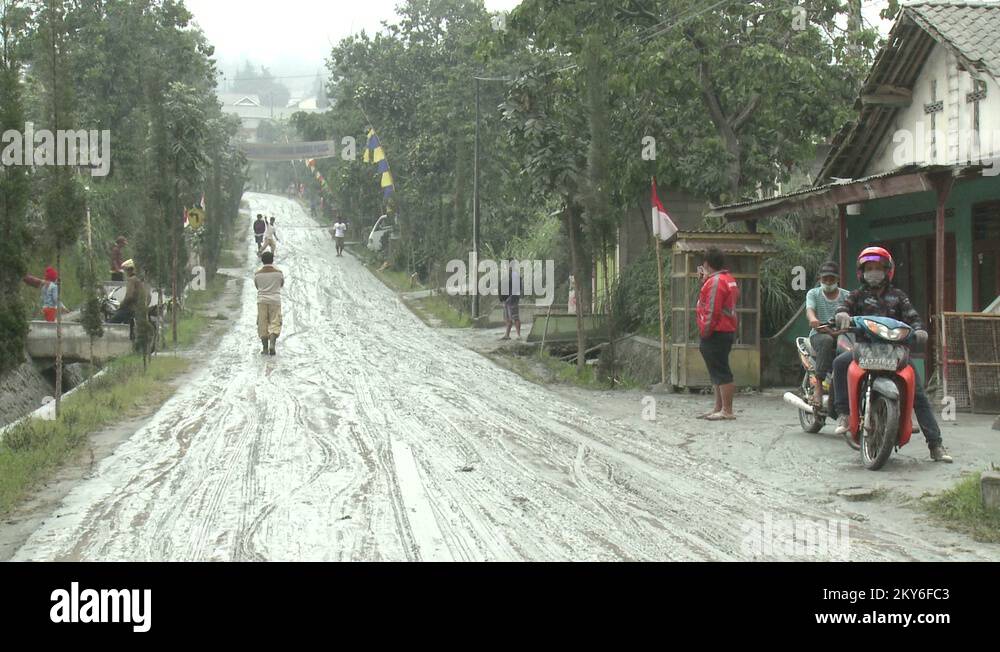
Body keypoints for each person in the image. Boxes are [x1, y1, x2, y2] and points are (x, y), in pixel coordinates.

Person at [832, 246, 952, 463]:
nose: (874, 272)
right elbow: (844, 307)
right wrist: (841, 314)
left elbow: (913, 317)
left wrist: (921, 330)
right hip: (865, 351)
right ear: (862, 272)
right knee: (840, 363)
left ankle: (936, 445)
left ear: (888, 270)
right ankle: (843, 414)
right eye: (869, 268)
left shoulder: (899, 297)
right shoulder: (856, 295)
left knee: (919, 394)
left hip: (895, 353)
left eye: (878, 268)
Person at [696, 247, 740, 421]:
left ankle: (727, 410)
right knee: (716, 370)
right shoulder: (728, 279)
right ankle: (718, 407)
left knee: (721, 371)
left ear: (707, 264)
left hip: (717, 330)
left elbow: (712, 309)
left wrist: (705, 331)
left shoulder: (715, 282)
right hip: (725, 329)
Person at [805, 262, 849, 408]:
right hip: (820, 334)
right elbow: (810, 309)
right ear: (820, 279)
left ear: (837, 279)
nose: (829, 282)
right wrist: (813, 319)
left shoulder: (846, 295)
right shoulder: (813, 293)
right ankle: (818, 386)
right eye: (825, 279)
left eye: (832, 279)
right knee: (827, 340)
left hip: (843, 335)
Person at [254, 250, 284, 355]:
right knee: (275, 322)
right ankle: (272, 344)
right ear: (272, 260)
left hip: (262, 300)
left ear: (262, 261)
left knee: (262, 323)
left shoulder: (257, 274)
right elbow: (281, 284)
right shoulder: (278, 273)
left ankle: (265, 348)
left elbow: (257, 286)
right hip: (275, 300)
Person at [109, 259, 147, 326]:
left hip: (130, 308)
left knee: (112, 322)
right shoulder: (138, 280)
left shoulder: (131, 280)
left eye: (126, 270)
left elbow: (129, 296)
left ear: (129, 270)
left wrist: (121, 305)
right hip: (137, 308)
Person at [499, 259, 523, 340]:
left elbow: (517, 288)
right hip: (506, 299)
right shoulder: (508, 274)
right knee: (508, 318)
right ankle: (507, 335)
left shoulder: (515, 275)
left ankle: (518, 335)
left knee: (515, 317)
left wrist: (511, 297)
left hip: (512, 298)